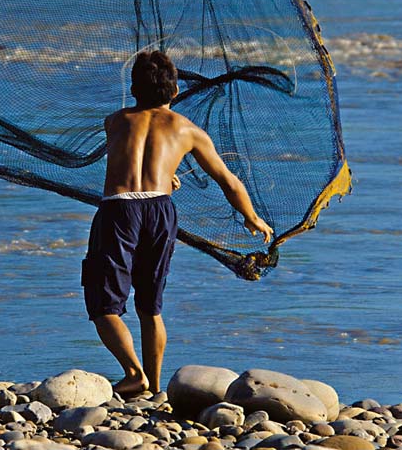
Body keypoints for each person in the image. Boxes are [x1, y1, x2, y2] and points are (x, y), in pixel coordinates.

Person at [83, 50, 274, 396]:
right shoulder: (188, 131)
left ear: (134, 89)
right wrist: (252, 217)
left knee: (103, 306)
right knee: (150, 307)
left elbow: (131, 157)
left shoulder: (115, 120)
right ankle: (155, 388)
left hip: (118, 211)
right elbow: (228, 180)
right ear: (174, 92)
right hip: (160, 211)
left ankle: (133, 373)